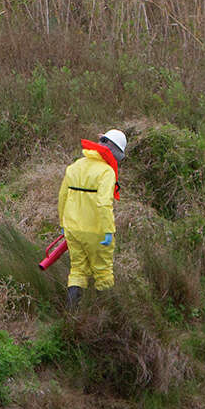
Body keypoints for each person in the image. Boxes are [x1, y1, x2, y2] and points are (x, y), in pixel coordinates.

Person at [57, 128, 127, 309]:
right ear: (115, 151)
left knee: (77, 271)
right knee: (103, 273)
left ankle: (71, 317)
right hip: (96, 232)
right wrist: (108, 231)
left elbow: (62, 196)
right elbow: (104, 203)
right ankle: (108, 316)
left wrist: (63, 224)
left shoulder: (75, 166)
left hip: (72, 230)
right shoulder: (106, 172)